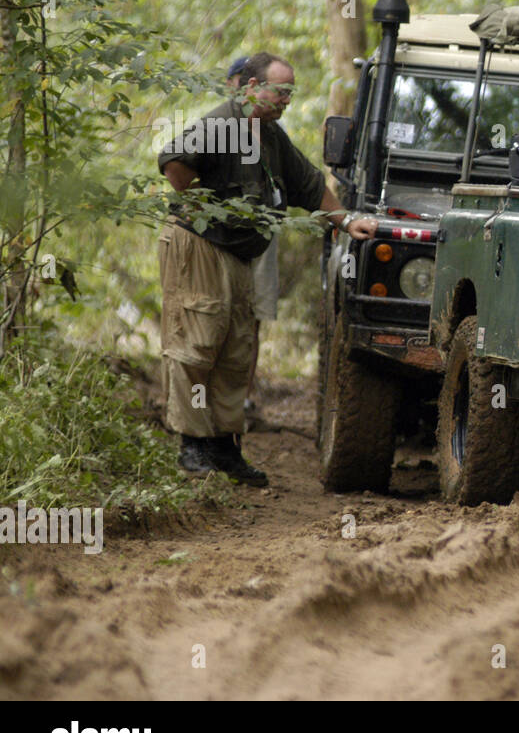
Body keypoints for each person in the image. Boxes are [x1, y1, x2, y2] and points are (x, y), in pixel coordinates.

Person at [158, 51, 377, 485]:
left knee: (236, 348)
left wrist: (349, 221)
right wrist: (200, 203)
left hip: (240, 252)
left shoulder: (271, 135)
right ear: (251, 87)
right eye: (280, 91)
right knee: (196, 343)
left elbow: (310, 185)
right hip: (200, 244)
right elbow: (174, 161)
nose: (286, 100)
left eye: (290, 92)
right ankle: (192, 444)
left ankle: (223, 445)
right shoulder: (224, 123)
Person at [225, 56, 279, 424]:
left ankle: (243, 397)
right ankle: (217, 402)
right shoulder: (219, 124)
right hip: (225, 238)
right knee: (223, 314)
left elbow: (300, 177)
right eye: (237, 81)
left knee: (255, 315)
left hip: (264, 234)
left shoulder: (272, 131)